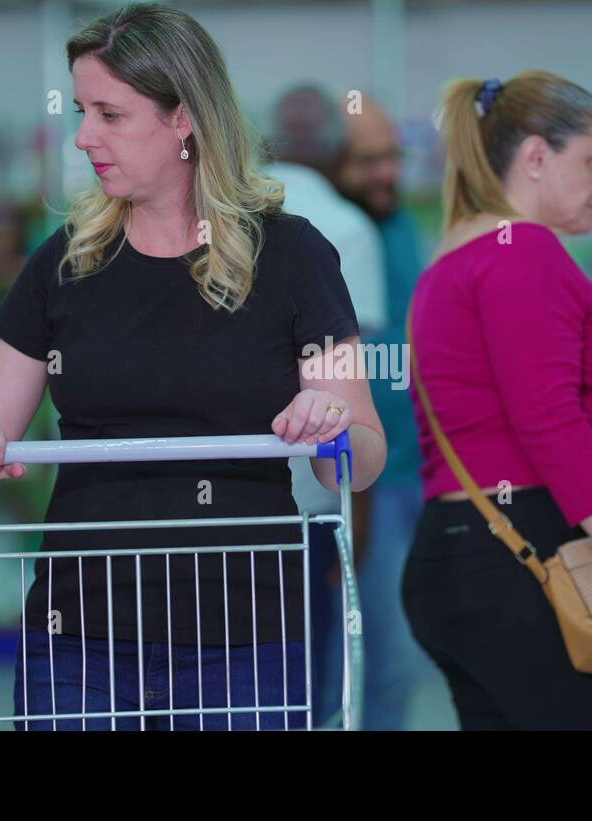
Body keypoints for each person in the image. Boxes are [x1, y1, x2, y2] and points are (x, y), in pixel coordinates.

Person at [0, 2, 386, 731]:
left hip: (247, 641)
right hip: (78, 641)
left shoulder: (295, 257)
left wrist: (330, 424)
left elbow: (359, 458)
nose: (82, 137)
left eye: (109, 114)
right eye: (82, 110)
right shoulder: (64, 263)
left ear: (183, 121)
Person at [401, 72, 592, 731]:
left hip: (464, 556)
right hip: (531, 562)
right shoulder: (520, 250)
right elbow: (549, 422)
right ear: (535, 156)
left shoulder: (450, 258)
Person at [263, 83, 388, 724]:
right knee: (311, 692)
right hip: (316, 503)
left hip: (233, 504)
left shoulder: (221, 221)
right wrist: (356, 518)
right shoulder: (348, 229)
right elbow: (354, 392)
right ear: (341, 156)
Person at [330, 92, 432, 730]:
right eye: (369, 160)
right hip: (360, 486)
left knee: (406, 662)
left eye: (392, 156)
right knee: (377, 664)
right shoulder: (324, 236)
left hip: (418, 474)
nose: (386, 172)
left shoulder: (399, 228)